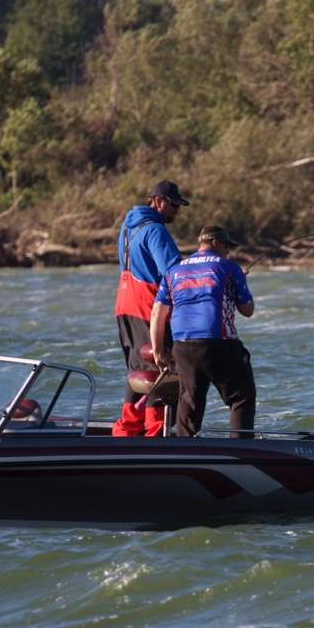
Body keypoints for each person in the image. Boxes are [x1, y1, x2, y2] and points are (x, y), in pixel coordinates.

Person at [150, 225, 256, 438]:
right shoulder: (229, 268)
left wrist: (158, 350)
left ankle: (186, 450)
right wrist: (239, 282)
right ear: (216, 243)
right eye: (226, 246)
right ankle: (242, 447)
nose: (228, 251)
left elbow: (157, 314)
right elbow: (248, 310)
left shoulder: (174, 271)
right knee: (241, 396)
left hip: (182, 346)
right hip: (219, 343)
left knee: (190, 402)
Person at [113, 180, 190, 437]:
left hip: (124, 307)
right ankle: (157, 432)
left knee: (136, 369)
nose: (177, 210)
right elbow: (172, 272)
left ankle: (126, 429)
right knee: (162, 367)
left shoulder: (127, 227)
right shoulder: (156, 230)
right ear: (157, 201)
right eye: (174, 204)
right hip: (148, 307)